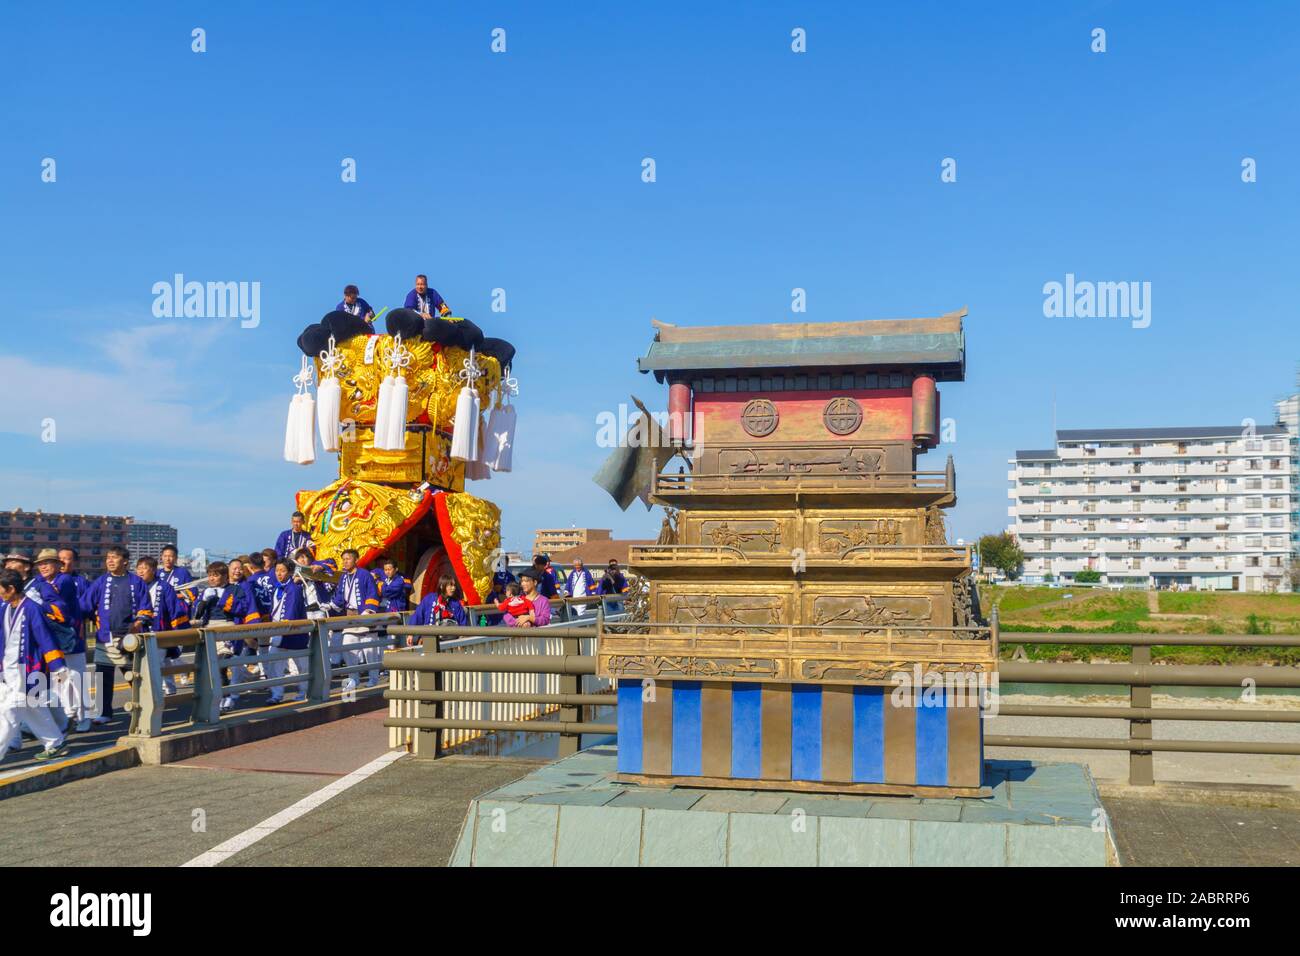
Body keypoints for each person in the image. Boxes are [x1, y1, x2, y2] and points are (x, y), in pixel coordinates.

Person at [0, 568, 69, 762]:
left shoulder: (32, 608)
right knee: (33, 708)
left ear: (11, 589)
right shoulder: (4, 609)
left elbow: (45, 639)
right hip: (9, 670)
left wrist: (58, 667)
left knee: (8, 712)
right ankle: (56, 743)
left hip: (28, 670)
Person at [80, 546, 150, 725]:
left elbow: (146, 609)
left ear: (125, 561)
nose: (110, 561)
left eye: (115, 557)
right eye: (108, 557)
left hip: (129, 638)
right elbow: (85, 605)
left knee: (133, 676)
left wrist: (137, 623)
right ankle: (105, 712)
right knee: (103, 677)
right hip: (105, 637)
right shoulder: (101, 581)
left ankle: (142, 707)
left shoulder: (136, 582)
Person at [189, 560, 260, 712]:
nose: (211, 579)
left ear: (224, 576)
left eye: (215, 575)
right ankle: (221, 697)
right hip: (209, 628)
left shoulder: (235, 589)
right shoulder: (206, 591)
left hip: (228, 627)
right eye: (209, 576)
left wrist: (221, 599)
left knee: (221, 663)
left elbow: (242, 609)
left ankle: (225, 698)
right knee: (212, 668)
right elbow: (196, 614)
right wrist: (202, 601)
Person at [34, 549, 87, 731]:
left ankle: (82, 717)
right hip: (54, 637)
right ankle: (67, 716)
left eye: (48, 563)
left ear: (58, 565)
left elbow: (56, 604)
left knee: (76, 678)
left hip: (71, 636)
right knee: (59, 679)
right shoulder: (42, 582)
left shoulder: (64, 580)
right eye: (40, 564)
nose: (43, 567)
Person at [326, 549, 381, 689]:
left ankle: (374, 679)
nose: (345, 561)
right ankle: (353, 679)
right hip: (350, 615)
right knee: (348, 646)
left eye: (348, 559)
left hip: (365, 614)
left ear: (356, 560)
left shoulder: (365, 574)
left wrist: (368, 611)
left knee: (370, 649)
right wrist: (329, 605)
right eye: (343, 559)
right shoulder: (343, 577)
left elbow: (372, 594)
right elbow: (339, 597)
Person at [134, 556, 188, 696]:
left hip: (160, 630)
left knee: (156, 663)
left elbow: (174, 609)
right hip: (140, 631)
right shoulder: (134, 586)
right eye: (138, 568)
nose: (140, 571)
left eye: (144, 568)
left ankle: (154, 694)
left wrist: (177, 633)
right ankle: (169, 688)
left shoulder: (164, 587)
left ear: (153, 570)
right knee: (162, 662)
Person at [266, 560, 309, 703]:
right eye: (277, 570)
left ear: (290, 572)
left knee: (301, 665)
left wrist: (284, 627)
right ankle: (277, 694)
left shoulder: (294, 589)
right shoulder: (276, 588)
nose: (279, 573)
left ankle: (304, 692)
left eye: (282, 570)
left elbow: (292, 612)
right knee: (274, 664)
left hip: (294, 632)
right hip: (278, 631)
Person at [407, 574, 468, 643]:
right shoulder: (429, 599)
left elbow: (463, 623)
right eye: (450, 585)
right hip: (429, 638)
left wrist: (462, 638)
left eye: (454, 585)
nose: (453, 588)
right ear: (442, 586)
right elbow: (418, 616)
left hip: (449, 641)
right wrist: (410, 633)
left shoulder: (455, 604)